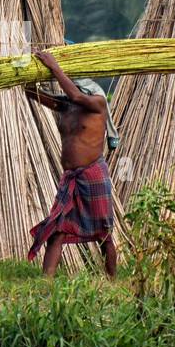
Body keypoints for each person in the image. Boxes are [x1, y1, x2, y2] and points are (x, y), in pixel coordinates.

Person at [23, 49, 117, 278]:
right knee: (56, 231)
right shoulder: (66, 105)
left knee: (103, 233)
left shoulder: (97, 103)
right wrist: (24, 76)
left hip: (93, 173)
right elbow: (33, 94)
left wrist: (54, 67)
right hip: (71, 178)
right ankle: (45, 286)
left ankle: (113, 281)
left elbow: (76, 96)